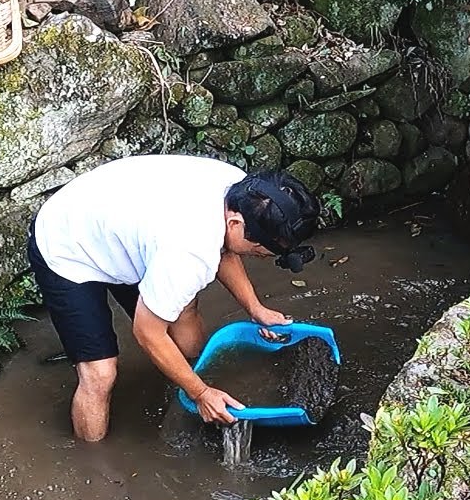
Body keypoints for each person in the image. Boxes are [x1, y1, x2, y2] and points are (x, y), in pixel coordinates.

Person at [27, 155, 321, 442]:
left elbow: (227, 250)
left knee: (183, 313)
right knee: (100, 373)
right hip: (69, 244)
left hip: (124, 227)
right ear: (234, 223)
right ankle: (90, 467)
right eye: (260, 249)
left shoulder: (245, 193)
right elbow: (146, 332)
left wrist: (256, 309)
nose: (261, 255)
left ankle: (186, 386)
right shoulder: (190, 251)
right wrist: (201, 393)